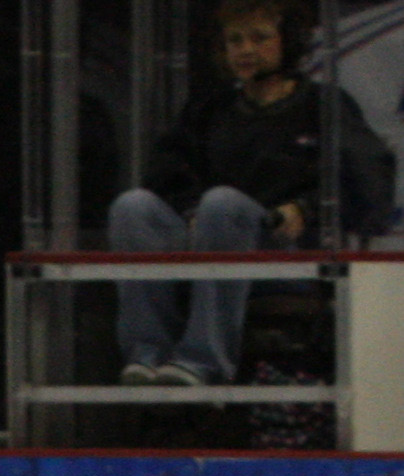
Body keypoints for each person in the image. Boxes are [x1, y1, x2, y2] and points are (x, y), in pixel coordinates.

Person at [107, 0, 394, 383]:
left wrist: (307, 209)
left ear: (287, 42)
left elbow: (369, 177)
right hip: (205, 243)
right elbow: (168, 173)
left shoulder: (322, 104)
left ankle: (202, 361)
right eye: (235, 40)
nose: (245, 50)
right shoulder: (211, 108)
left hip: (285, 255)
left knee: (223, 203)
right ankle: (147, 353)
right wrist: (190, 210)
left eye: (259, 38)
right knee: (133, 206)